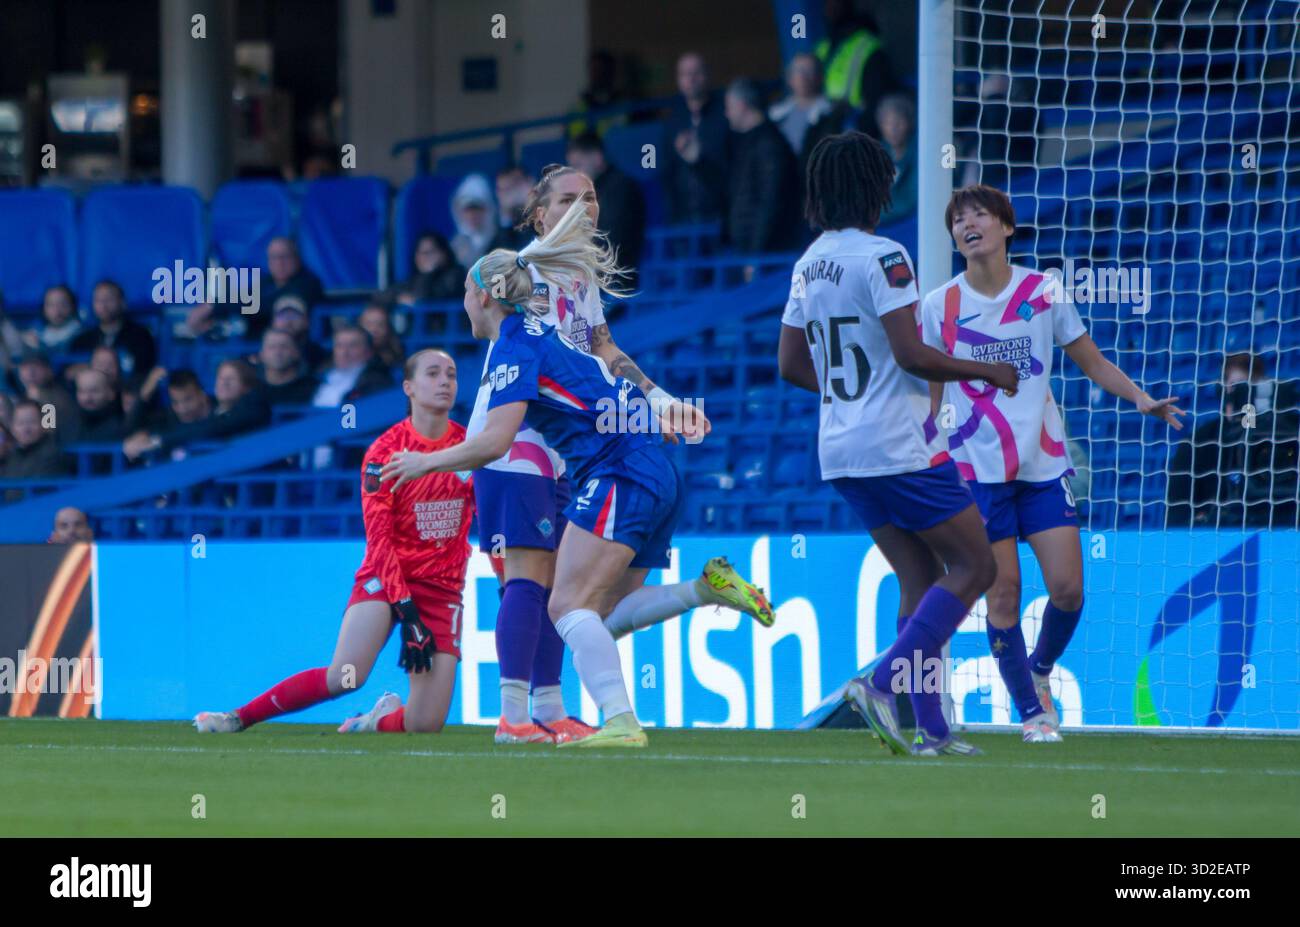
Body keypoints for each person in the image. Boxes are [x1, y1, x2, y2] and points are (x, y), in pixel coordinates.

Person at [381, 203, 772, 748]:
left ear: (484, 296)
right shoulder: (547, 331)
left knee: (564, 604)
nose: (463, 301)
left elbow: (495, 441)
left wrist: (423, 461)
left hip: (619, 471)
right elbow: (601, 376)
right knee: (601, 610)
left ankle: (619, 721)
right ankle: (705, 589)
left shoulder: (515, 347)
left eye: (467, 291)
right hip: (655, 467)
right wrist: (660, 408)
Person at [777, 132, 1019, 756]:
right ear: (874, 187)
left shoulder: (809, 262)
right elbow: (911, 354)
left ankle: (931, 729)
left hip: (841, 450)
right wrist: (987, 370)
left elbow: (790, 364)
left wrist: (850, 396)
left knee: (920, 575)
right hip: (897, 445)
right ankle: (880, 683)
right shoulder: (885, 256)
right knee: (977, 566)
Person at [920, 184, 1185, 742]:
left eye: (979, 214)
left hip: (1041, 465)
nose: (968, 224)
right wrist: (926, 445)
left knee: (1067, 590)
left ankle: (1039, 669)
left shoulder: (1043, 291)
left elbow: (1092, 361)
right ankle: (1033, 715)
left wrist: (1141, 398)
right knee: (1004, 593)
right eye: (959, 220)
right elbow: (931, 388)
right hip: (975, 471)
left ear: (1006, 227)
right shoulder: (938, 306)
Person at [194, 349, 475, 735]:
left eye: (452, 374)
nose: (445, 381)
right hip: (386, 576)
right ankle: (239, 717)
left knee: (426, 723)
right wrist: (408, 611)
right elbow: (379, 540)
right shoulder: (385, 452)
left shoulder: (469, 449)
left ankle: (373, 721)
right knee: (347, 676)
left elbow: (490, 512)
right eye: (433, 373)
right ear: (409, 387)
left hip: (441, 586)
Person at [1167, 352, 1298, 528]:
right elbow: (1177, 517)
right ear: (1222, 390)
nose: (1244, 396)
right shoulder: (1198, 443)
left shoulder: (1285, 437)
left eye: (1250, 388)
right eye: (1237, 387)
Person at [123, 360, 271, 461]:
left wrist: (157, 440)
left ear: (247, 387)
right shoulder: (173, 415)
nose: (224, 384)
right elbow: (131, 430)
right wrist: (145, 435)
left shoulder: (252, 408)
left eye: (231, 379)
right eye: (220, 379)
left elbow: (212, 428)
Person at [723, 79, 803, 253]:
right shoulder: (746, 143)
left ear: (741, 106)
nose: (726, 114)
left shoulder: (768, 144)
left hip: (768, 252)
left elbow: (770, 199)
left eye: (729, 107)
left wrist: (756, 251)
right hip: (750, 248)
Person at [566, 132, 646, 288]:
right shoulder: (586, 192)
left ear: (597, 158)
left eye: (578, 165)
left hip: (616, 281)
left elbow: (609, 240)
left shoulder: (621, 187)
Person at [661, 52, 730, 224]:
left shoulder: (726, 115)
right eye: (685, 74)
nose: (691, 79)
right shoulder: (673, 121)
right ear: (678, 80)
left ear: (707, 75)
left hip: (722, 213)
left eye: (696, 73)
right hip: (683, 215)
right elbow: (667, 169)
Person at [768, 53, 854, 181]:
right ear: (789, 78)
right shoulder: (775, 114)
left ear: (820, 77)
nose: (803, 77)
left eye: (809, 71)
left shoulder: (835, 113)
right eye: (798, 71)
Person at [69, 280, 157, 391]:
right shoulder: (81, 340)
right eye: (98, 300)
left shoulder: (141, 337)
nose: (103, 305)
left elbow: (145, 373)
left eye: (109, 299)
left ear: (122, 303)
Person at [816, 0, 896, 119]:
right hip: (824, 121)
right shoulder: (823, 46)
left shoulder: (867, 46)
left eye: (835, 3)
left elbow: (876, 101)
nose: (829, 8)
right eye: (826, 3)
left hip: (853, 122)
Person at [382, 231, 465, 306]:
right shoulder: (415, 279)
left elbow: (423, 299)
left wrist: (428, 273)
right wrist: (397, 297)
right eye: (420, 252)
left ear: (443, 254)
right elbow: (383, 295)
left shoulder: (456, 274)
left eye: (430, 252)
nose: (424, 257)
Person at [874, 94, 918, 227]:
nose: (893, 129)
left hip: (910, 223)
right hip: (882, 222)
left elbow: (912, 198)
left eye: (898, 122)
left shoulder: (919, 151)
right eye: (887, 123)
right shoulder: (878, 152)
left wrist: (876, 213)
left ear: (909, 123)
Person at [1, 398, 68, 481]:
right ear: (12, 428)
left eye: (32, 422)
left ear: (43, 425)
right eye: (20, 423)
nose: (26, 429)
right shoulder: (12, 456)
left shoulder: (52, 456)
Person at [256, 328, 319, 406]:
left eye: (284, 347)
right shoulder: (250, 388)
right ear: (261, 354)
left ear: (296, 353)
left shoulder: (316, 389)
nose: (277, 352)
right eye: (271, 347)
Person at [449, 174, 497, 268]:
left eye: (476, 209)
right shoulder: (455, 246)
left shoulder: (500, 238)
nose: (472, 215)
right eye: (467, 210)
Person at [358, 304, 406, 370]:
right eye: (368, 324)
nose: (374, 330)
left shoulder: (396, 359)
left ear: (388, 329)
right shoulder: (350, 359)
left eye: (380, 325)